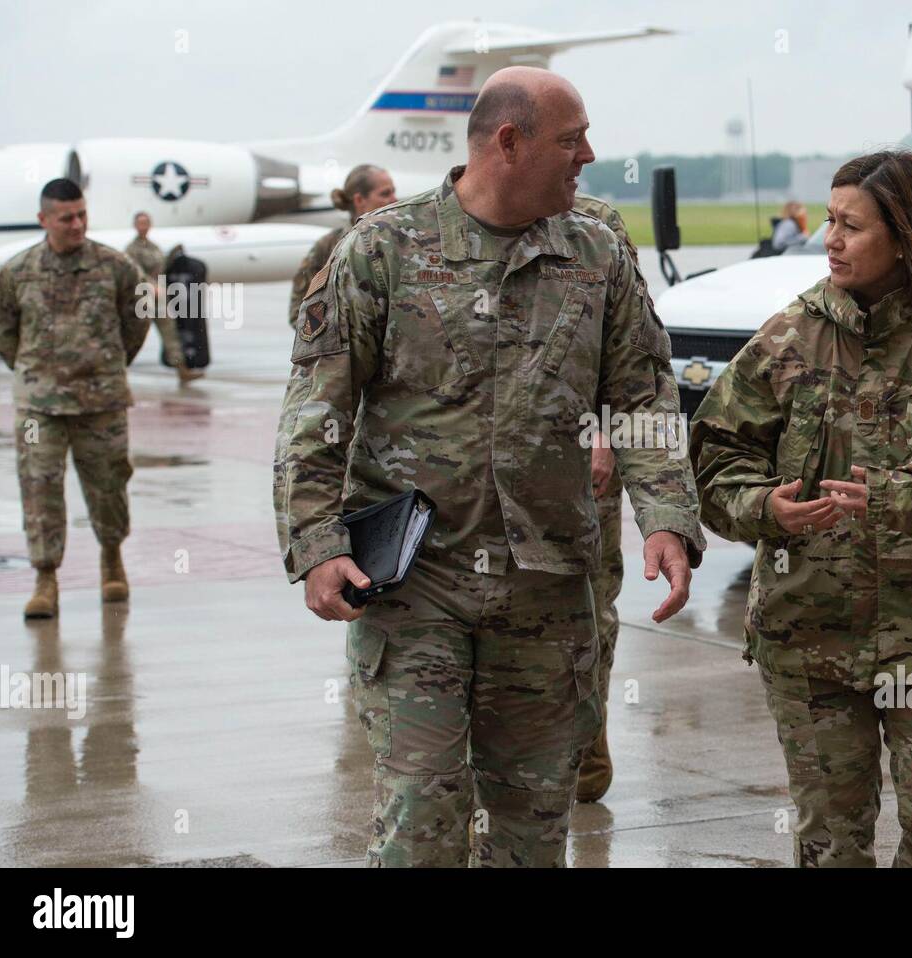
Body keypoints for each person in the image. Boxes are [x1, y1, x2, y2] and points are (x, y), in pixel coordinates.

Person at [273, 66, 706, 867]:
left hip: (547, 586)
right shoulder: (381, 252)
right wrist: (315, 540)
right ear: (509, 142)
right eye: (572, 140)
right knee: (422, 820)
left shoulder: (598, 256)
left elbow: (645, 398)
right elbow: (315, 415)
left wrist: (668, 519)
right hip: (416, 587)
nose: (589, 155)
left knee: (532, 826)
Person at [690, 149, 912, 867]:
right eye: (828, 220)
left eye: (852, 225)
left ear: (906, 234)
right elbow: (716, 456)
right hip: (809, 635)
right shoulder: (789, 337)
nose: (831, 239)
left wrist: (893, 497)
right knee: (832, 841)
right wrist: (765, 508)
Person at [0, 178, 150, 618]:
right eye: (66, 218)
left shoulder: (115, 266)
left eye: (82, 215)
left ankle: (111, 558)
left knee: (110, 487)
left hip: (103, 403)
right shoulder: (17, 271)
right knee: (39, 489)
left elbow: (138, 317)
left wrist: (111, 364)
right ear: (44, 220)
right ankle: (45, 579)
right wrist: (28, 370)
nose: (77, 224)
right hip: (40, 407)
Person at [569, 192, 637, 802]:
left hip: (581, 467)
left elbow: (628, 355)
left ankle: (587, 747)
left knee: (591, 608)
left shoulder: (598, 224)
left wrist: (604, 434)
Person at [286, 164, 395, 326]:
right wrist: (335, 337)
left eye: (393, 192)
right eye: (385, 194)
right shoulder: (328, 247)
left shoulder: (402, 242)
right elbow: (298, 311)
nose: (394, 199)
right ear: (359, 200)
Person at [124, 211, 202, 383]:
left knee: (170, 334)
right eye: (140, 223)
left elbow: (161, 268)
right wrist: (151, 285)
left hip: (159, 297)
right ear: (135, 226)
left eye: (146, 222)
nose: (143, 226)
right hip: (143, 298)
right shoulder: (132, 249)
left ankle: (182, 369)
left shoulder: (153, 247)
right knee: (133, 335)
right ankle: (119, 369)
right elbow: (133, 272)